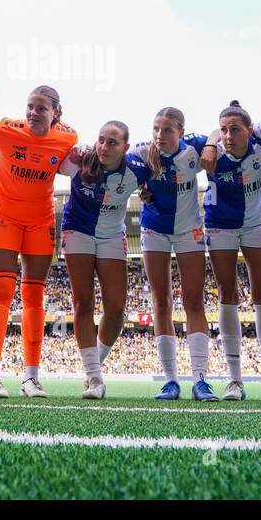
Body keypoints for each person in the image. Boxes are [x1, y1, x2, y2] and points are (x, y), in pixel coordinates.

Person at [0, 85, 78, 398]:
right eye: (30, 107)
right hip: (3, 216)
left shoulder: (67, 137)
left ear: (56, 113)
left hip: (40, 222)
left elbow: (76, 165)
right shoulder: (6, 129)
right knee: (2, 290)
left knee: (34, 297)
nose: (33, 113)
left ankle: (31, 378)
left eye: (42, 108)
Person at [201, 100, 261, 402]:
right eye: (223, 130)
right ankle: (234, 381)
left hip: (256, 224)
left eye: (234, 129)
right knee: (227, 294)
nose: (227, 135)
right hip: (219, 226)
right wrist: (212, 139)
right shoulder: (209, 147)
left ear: (249, 131)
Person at [132, 108, 219, 401]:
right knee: (161, 301)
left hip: (189, 231)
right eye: (156, 128)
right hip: (153, 231)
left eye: (167, 130)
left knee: (194, 301)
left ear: (181, 132)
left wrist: (210, 145)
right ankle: (170, 381)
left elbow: (218, 133)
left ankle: (200, 380)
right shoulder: (143, 152)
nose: (160, 135)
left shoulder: (194, 146)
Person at [61, 120, 150, 399]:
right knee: (83, 302)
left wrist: (148, 190)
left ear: (126, 147)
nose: (104, 147)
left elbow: (156, 172)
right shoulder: (79, 161)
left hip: (112, 236)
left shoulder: (138, 169)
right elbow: (49, 162)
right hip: (77, 231)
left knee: (115, 308)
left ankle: (94, 365)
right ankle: (94, 378)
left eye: (112, 143)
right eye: (101, 140)